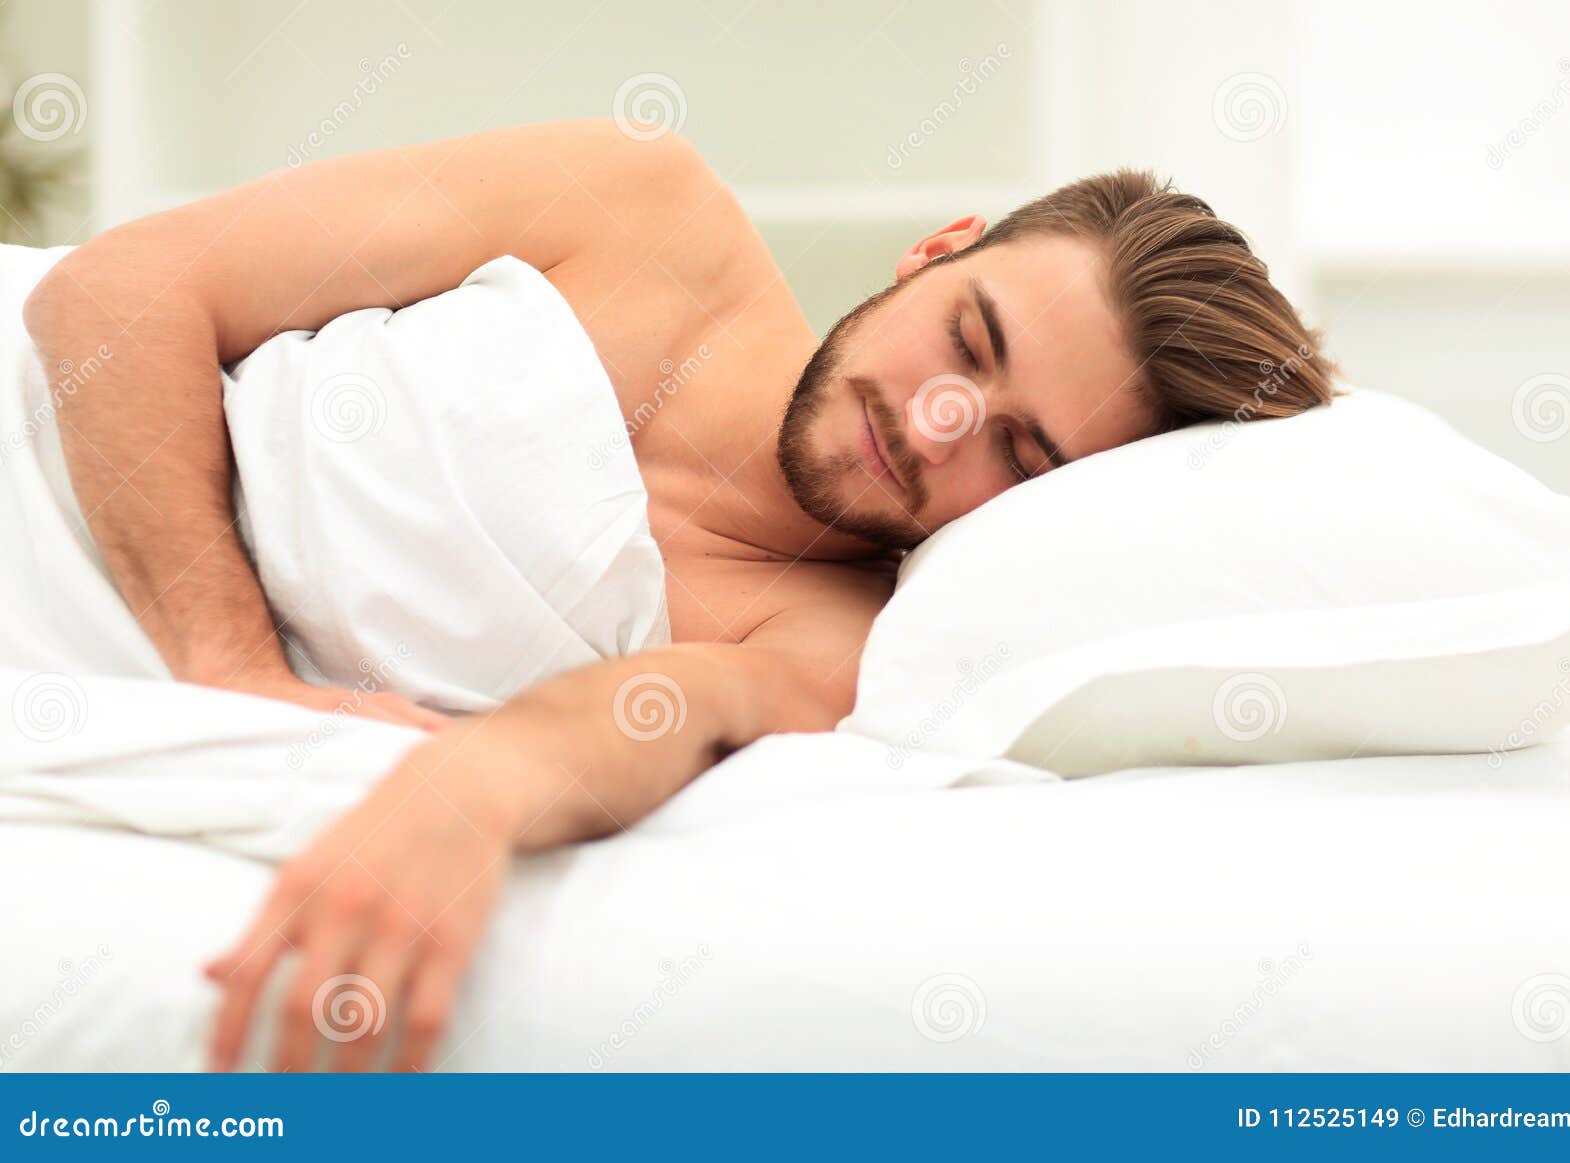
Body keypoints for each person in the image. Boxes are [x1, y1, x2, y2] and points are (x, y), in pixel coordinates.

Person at [21, 118, 1335, 1071]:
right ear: (934, 252)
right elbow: (118, 290)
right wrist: (233, 674)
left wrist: (470, 792)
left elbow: (642, 714)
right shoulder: (641, 210)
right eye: (971, 341)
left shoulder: (833, 647)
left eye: (1019, 450)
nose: (938, 422)